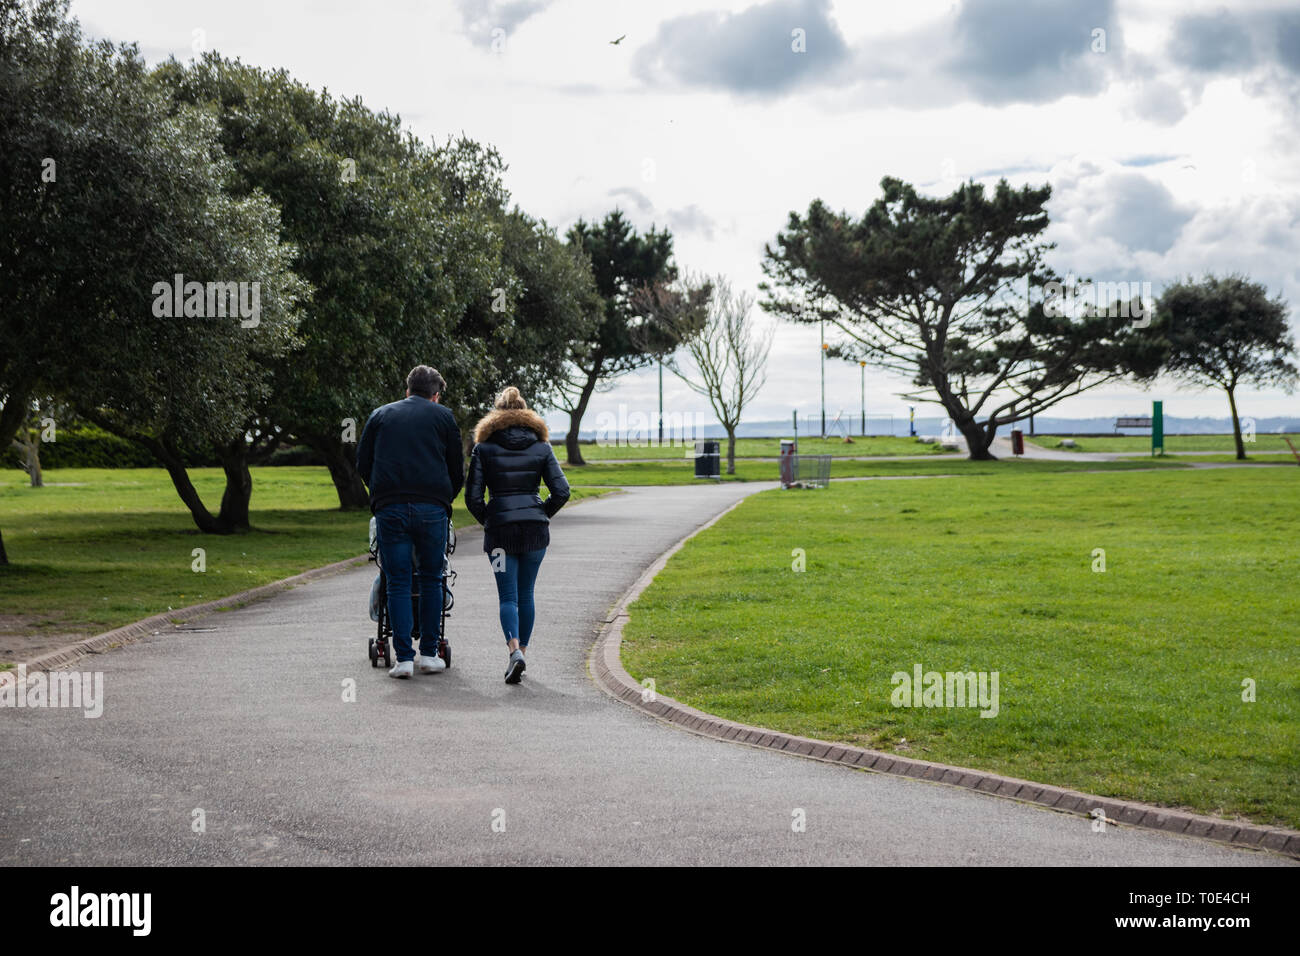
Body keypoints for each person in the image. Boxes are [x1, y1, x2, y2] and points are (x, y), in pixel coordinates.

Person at [356, 365, 464, 679]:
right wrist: (445, 497)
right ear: (436, 395)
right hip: (432, 507)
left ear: (407, 389)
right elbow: (456, 467)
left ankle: (403, 658)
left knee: (398, 579)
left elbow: (364, 462)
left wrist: (379, 492)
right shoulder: (444, 417)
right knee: (432, 578)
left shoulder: (380, 416)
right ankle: (429, 653)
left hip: (390, 507)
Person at [465, 387, 569, 683]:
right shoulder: (542, 447)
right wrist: (540, 514)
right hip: (535, 533)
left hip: (500, 535)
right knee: (527, 594)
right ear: (526, 414)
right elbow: (562, 491)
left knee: (507, 596)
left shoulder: (483, 449)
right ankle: (522, 651)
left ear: (496, 414)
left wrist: (492, 519)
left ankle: (513, 651)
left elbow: (472, 499)